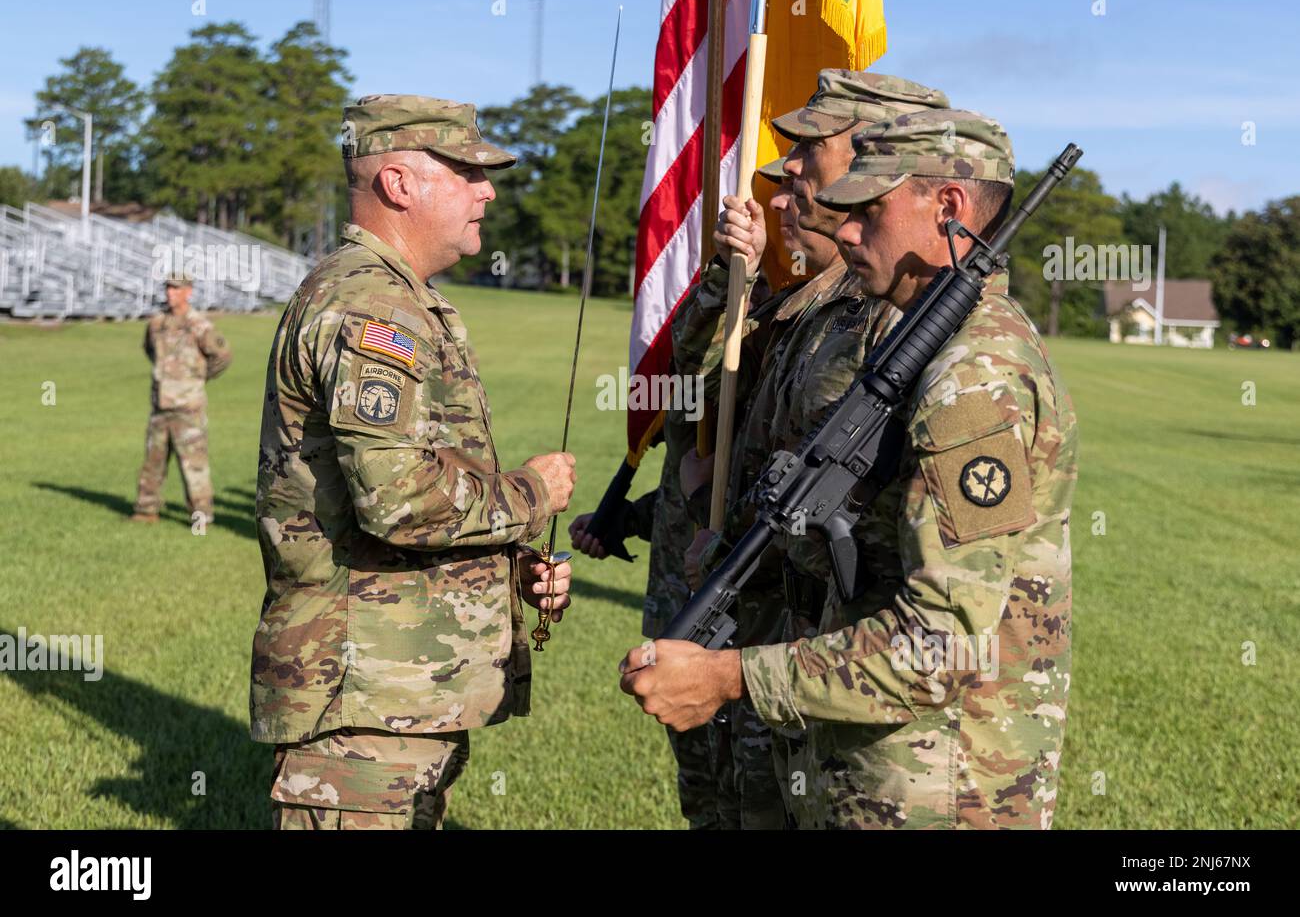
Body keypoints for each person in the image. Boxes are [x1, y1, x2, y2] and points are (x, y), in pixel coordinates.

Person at [620, 107, 1078, 830]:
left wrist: (729, 677)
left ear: (951, 208)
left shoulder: (975, 376)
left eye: (868, 211)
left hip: (938, 786)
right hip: (870, 765)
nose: (846, 233)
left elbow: (945, 640)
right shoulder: (919, 349)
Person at [250, 94, 577, 830]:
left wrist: (507, 558)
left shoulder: (403, 299)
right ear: (399, 183)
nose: (487, 189)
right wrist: (531, 493)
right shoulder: (372, 306)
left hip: (396, 696)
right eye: (467, 170)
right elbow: (398, 501)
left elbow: (414, 478)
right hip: (362, 700)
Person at [677, 72, 950, 828]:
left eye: (810, 150)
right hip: (780, 646)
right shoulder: (820, 308)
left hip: (825, 666)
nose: (787, 171)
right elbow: (700, 392)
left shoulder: (907, 324)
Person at [131, 273, 231, 525]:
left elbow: (222, 355)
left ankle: (201, 516)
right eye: (168, 288)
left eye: (176, 289)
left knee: (194, 467)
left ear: (188, 291)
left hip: (188, 407)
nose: (170, 293)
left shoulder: (199, 325)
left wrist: (198, 377)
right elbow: (150, 350)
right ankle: (145, 510)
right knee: (153, 462)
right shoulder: (156, 323)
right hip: (160, 405)